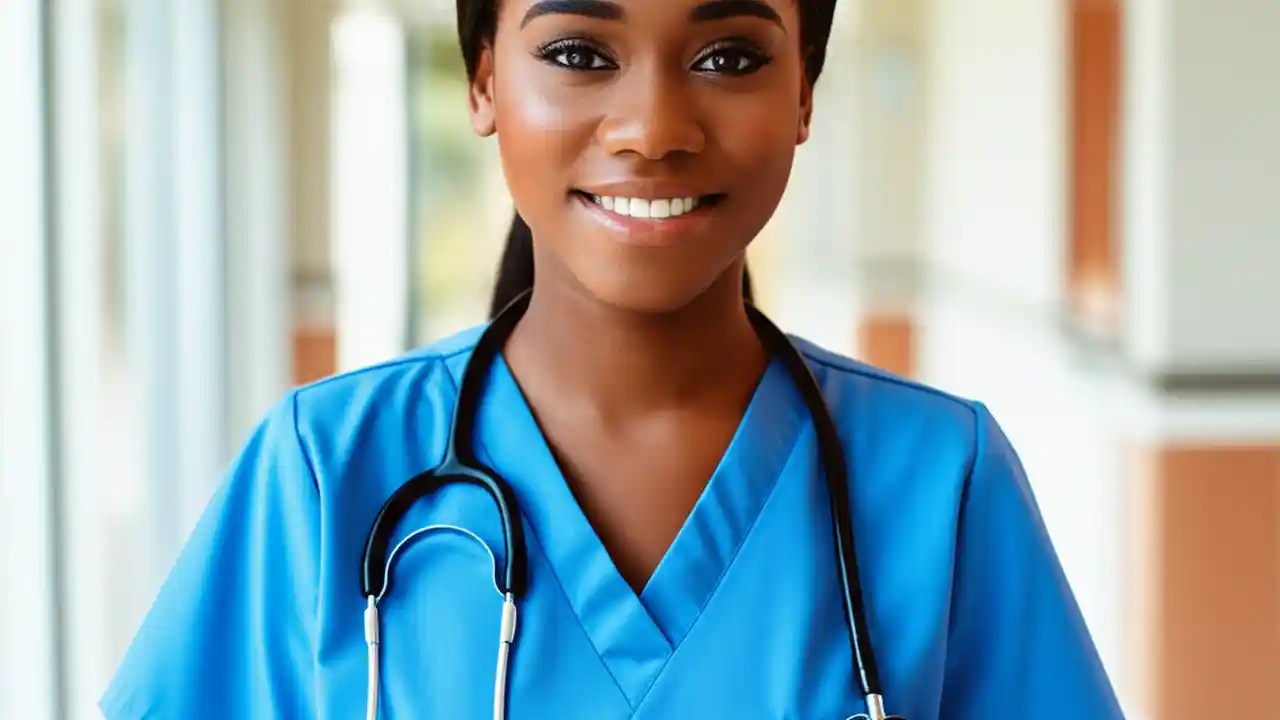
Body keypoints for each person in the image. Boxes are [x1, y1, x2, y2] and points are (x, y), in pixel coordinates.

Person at [101, 0, 1125, 717]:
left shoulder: (939, 478)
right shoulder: (325, 471)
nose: (651, 129)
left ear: (805, 91)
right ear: (482, 79)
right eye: (580, 52)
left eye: (727, 55)